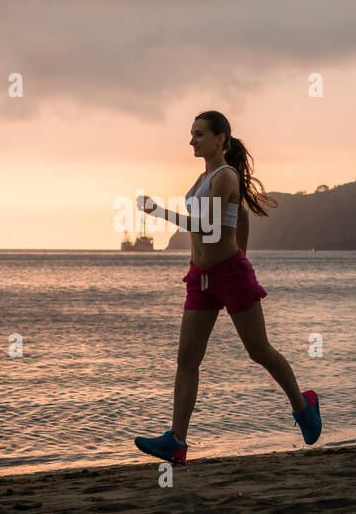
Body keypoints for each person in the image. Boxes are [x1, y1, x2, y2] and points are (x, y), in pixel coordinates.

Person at [133, 110, 322, 462]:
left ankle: (303, 405)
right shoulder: (203, 177)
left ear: (221, 138)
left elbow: (211, 228)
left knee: (259, 350)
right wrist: (241, 250)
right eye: (191, 134)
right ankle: (176, 441)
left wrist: (158, 212)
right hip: (200, 278)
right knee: (187, 359)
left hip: (229, 275)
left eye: (200, 134)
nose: (192, 140)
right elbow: (243, 217)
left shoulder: (224, 177)